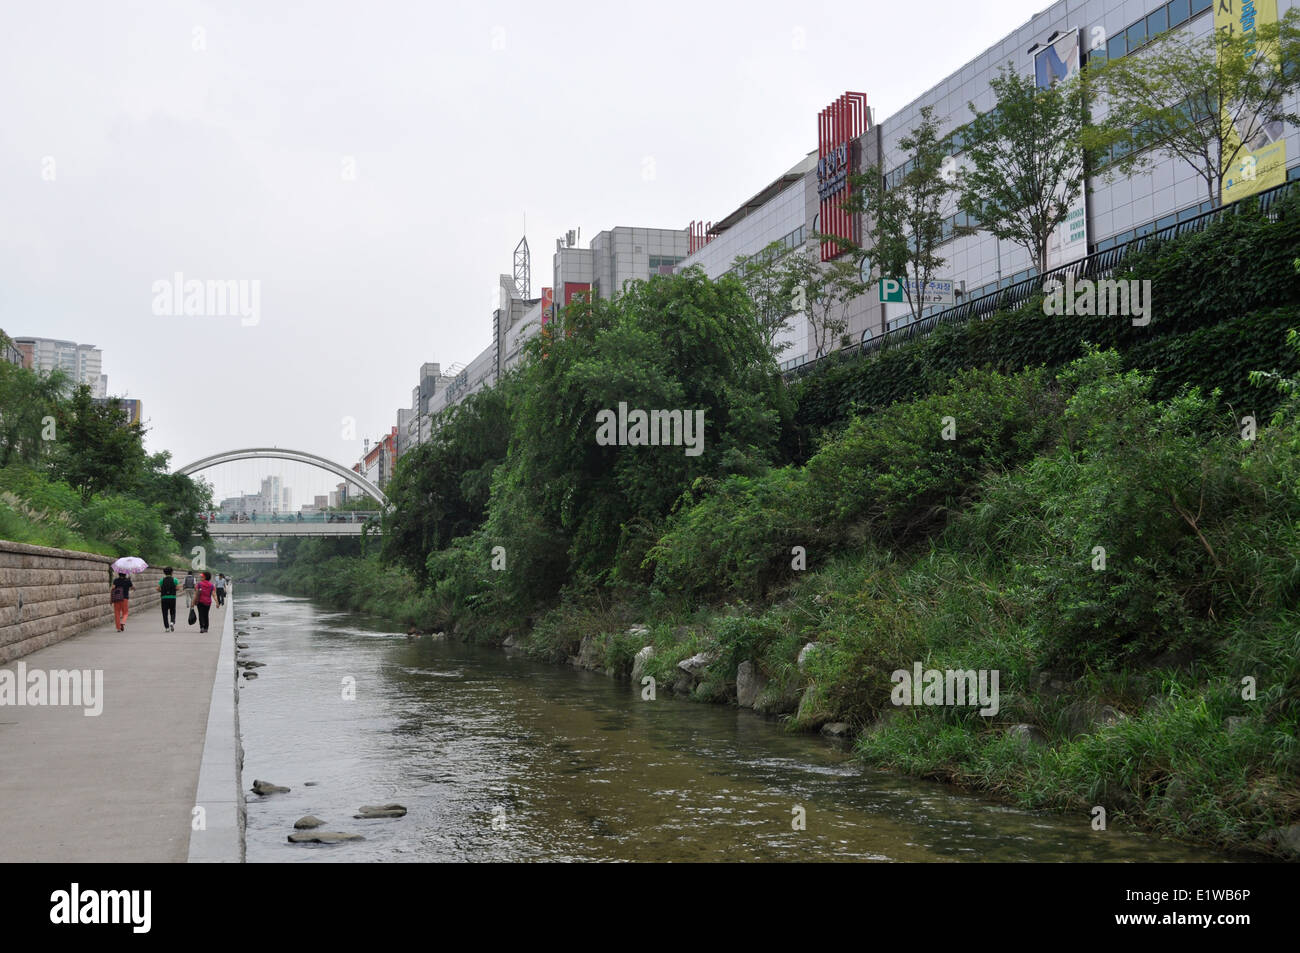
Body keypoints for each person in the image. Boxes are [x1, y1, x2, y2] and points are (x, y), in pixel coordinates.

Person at [158, 567, 179, 631]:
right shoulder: (175, 580)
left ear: (164, 573)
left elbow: (158, 588)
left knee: (165, 613)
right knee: (172, 611)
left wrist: (162, 591)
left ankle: (167, 627)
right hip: (172, 597)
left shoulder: (162, 580)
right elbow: (178, 588)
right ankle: (172, 622)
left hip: (164, 598)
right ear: (172, 572)